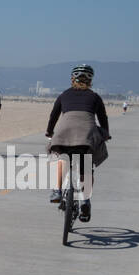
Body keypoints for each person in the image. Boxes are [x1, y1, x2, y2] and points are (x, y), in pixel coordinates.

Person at [45, 64, 110, 222]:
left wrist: (49, 132)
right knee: (86, 167)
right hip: (85, 135)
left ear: (72, 79)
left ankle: (57, 191)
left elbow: (53, 116)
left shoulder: (64, 95)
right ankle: (85, 200)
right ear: (90, 80)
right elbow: (103, 118)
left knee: (62, 159)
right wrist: (106, 133)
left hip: (63, 132)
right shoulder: (95, 97)